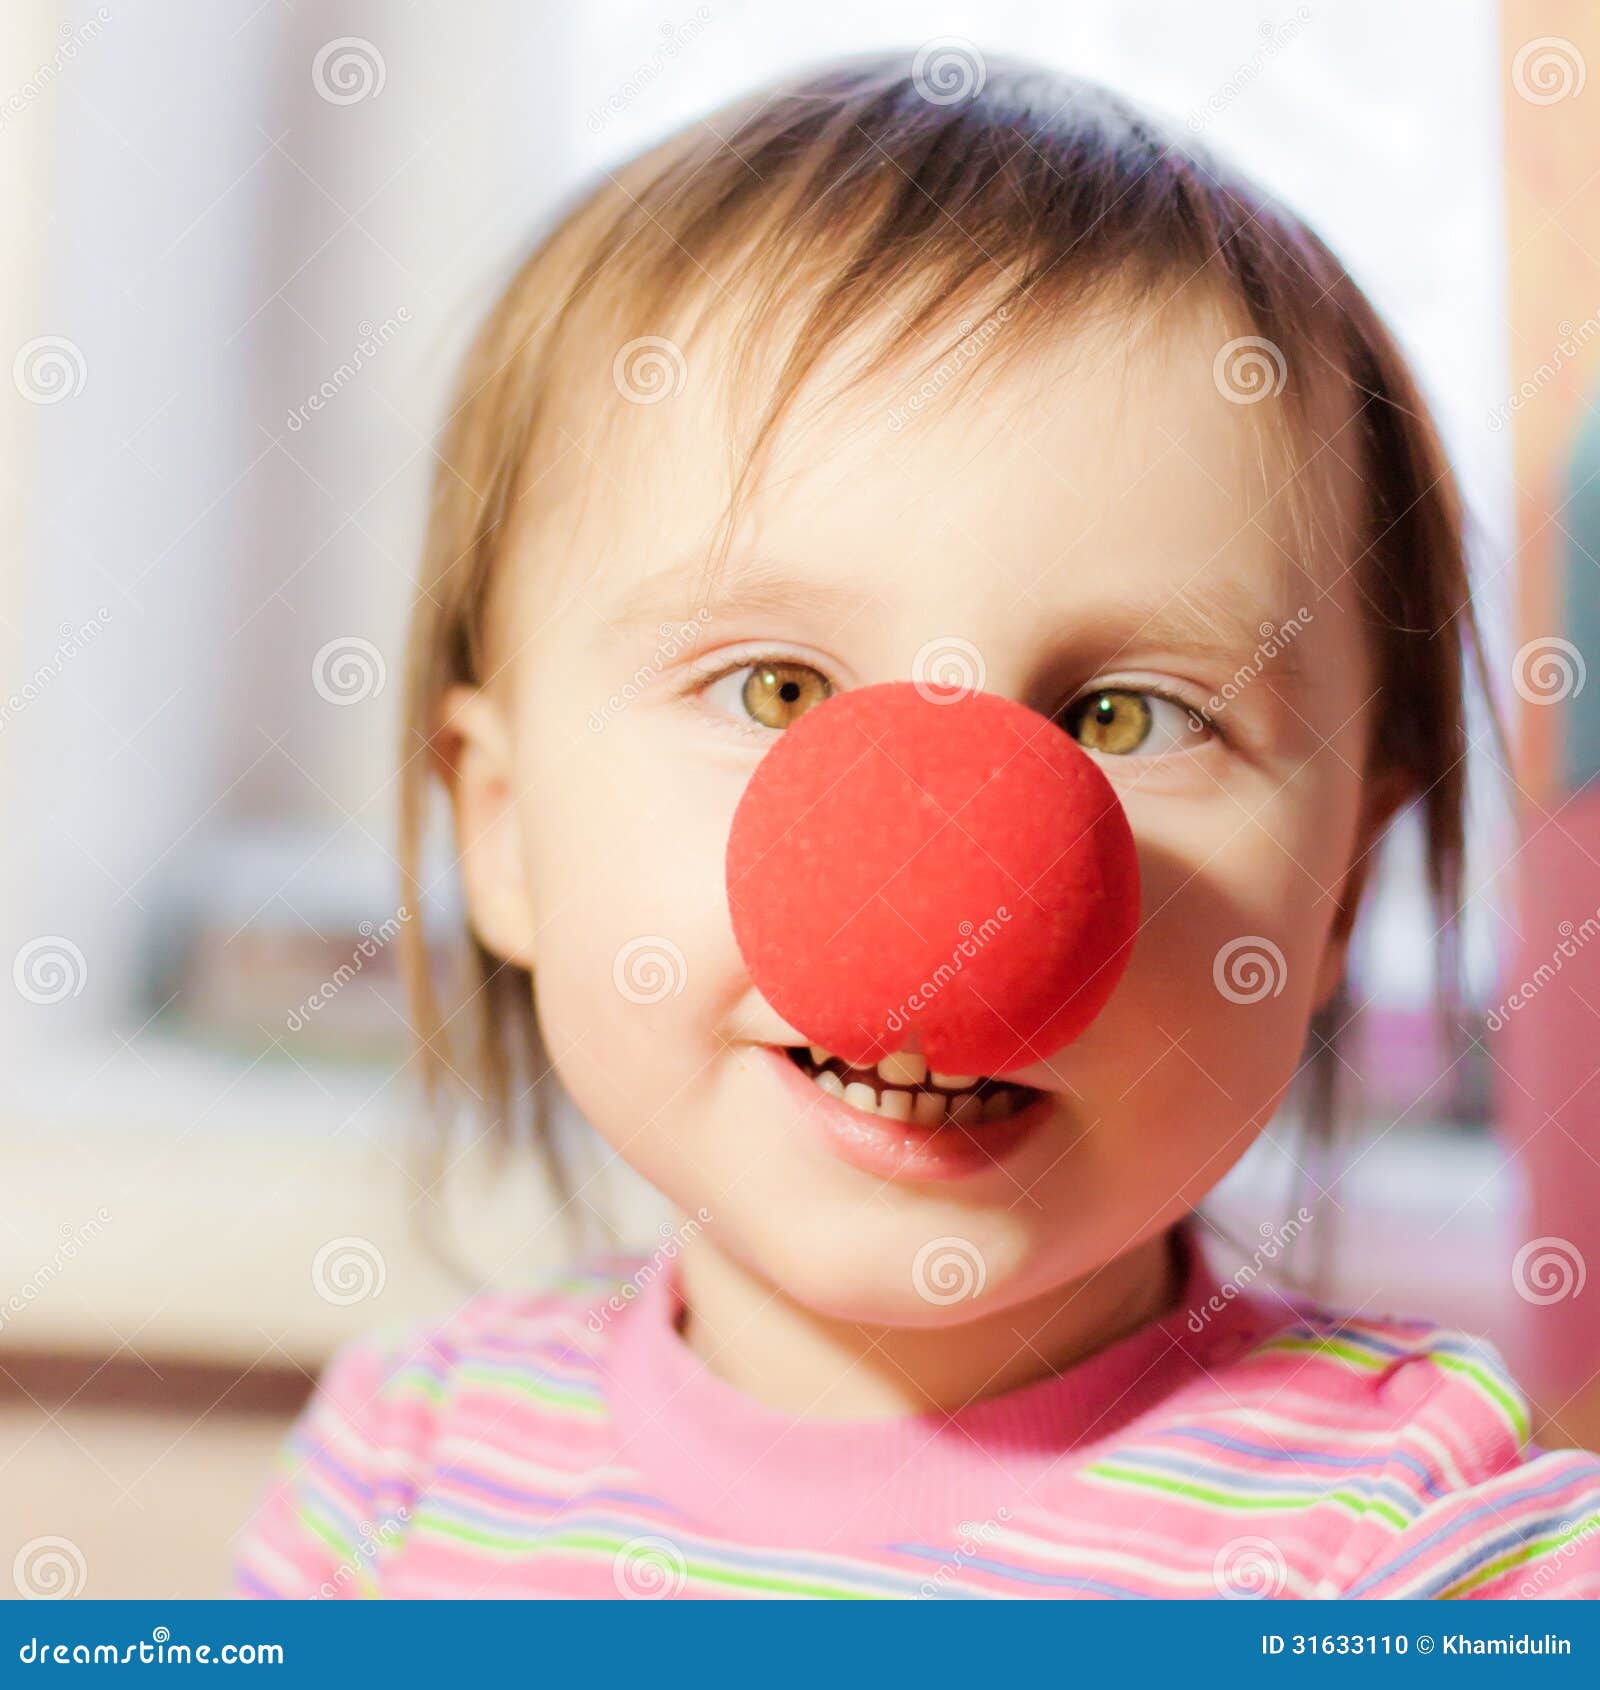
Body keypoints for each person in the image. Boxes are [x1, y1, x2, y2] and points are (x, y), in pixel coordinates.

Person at [234, 53, 1600, 1599]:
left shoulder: (1425, 1545)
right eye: (775, 688)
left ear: (1338, 890)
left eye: (1125, 716)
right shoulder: (396, 1483)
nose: (954, 884)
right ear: (502, 829)